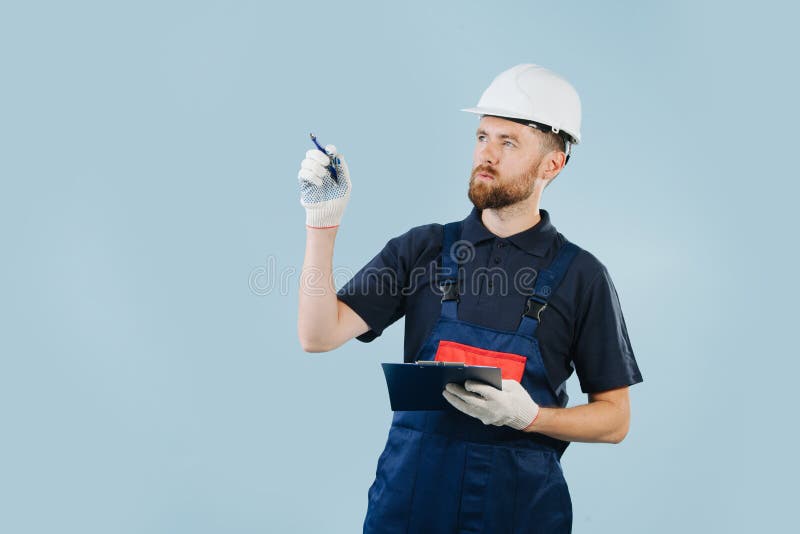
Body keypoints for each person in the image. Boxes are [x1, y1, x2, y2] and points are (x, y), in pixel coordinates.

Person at [296, 64, 643, 534]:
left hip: (519, 515)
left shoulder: (583, 277)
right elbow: (317, 335)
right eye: (482, 136)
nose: (487, 154)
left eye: (508, 142)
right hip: (410, 507)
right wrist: (322, 223)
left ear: (552, 165)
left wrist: (531, 417)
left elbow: (615, 420)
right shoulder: (422, 249)